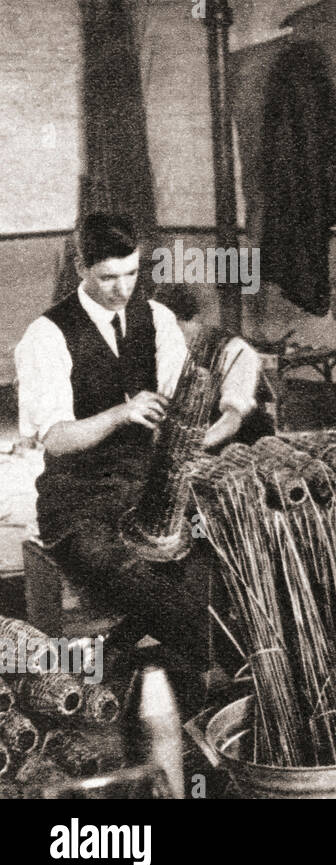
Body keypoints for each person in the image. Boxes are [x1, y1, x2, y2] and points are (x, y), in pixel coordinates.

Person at [13, 213, 222, 681]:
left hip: (148, 487)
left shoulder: (158, 319)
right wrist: (120, 413)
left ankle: (180, 665)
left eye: (131, 273)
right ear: (81, 266)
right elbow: (57, 439)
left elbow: (182, 400)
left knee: (218, 556)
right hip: (78, 500)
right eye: (108, 277)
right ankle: (202, 665)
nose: (123, 288)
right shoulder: (46, 336)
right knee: (132, 577)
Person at [151, 283, 274, 448]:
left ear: (195, 319)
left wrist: (191, 447)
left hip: (244, 449)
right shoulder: (170, 351)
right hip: (200, 452)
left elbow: (232, 419)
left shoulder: (235, 350)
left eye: (176, 329)